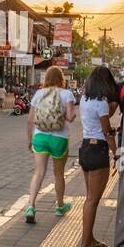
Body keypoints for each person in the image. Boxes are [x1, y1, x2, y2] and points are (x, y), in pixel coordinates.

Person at [77, 66, 120, 247]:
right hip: (97, 150)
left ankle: (90, 239)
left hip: (85, 148)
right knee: (92, 200)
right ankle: (85, 246)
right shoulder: (101, 102)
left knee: (90, 199)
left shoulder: (84, 100)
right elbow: (106, 131)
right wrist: (116, 153)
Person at [25, 65, 76, 224]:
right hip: (59, 138)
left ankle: (30, 206)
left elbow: (30, 119)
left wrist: (29, 140)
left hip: (40, 137)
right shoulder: (67, 94)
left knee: (38, 173)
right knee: (58, 174)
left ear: (45, 79)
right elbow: (70, 117)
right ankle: (60, 206)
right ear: (61, 79)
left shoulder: (39, 94)